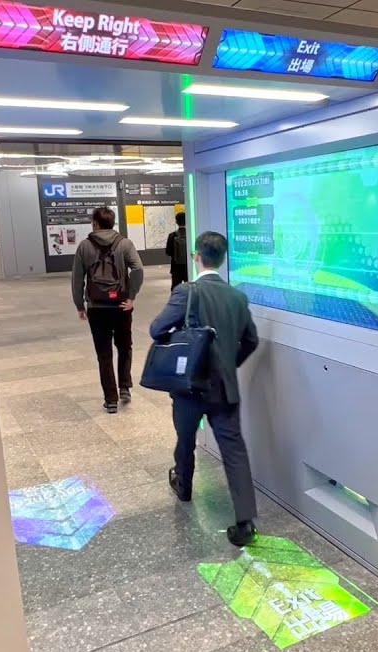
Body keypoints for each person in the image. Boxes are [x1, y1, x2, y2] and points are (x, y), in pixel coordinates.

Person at [150, 231, 260, 546]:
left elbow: (156, 328)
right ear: (223, 259)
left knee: (186, 439)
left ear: (197, 256)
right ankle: (245, 523)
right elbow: (251, 340)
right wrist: (228, 362)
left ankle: (183, 485)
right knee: (234, 451)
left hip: (189, 387)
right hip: (224, 389)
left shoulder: (187, 292)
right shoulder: (237, 297)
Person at [71, 206, 144, 414]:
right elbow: (138, 269)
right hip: (121, 305)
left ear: (94, 224)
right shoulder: (125, 243)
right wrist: (131, 296)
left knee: (103, 354)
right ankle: (125, 387)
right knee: (124, 346)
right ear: (112, 223)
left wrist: (79, 304)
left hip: (96, 307)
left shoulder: (85, 246)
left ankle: (111, 400)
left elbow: (77, 279)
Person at [164, 211, 189, 289]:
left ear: (176, 222)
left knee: (175, 289)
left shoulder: (172, 235)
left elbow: (168, 252)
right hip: (188, 267)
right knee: (189, 288)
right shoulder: (190, 234)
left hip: (176, 268)